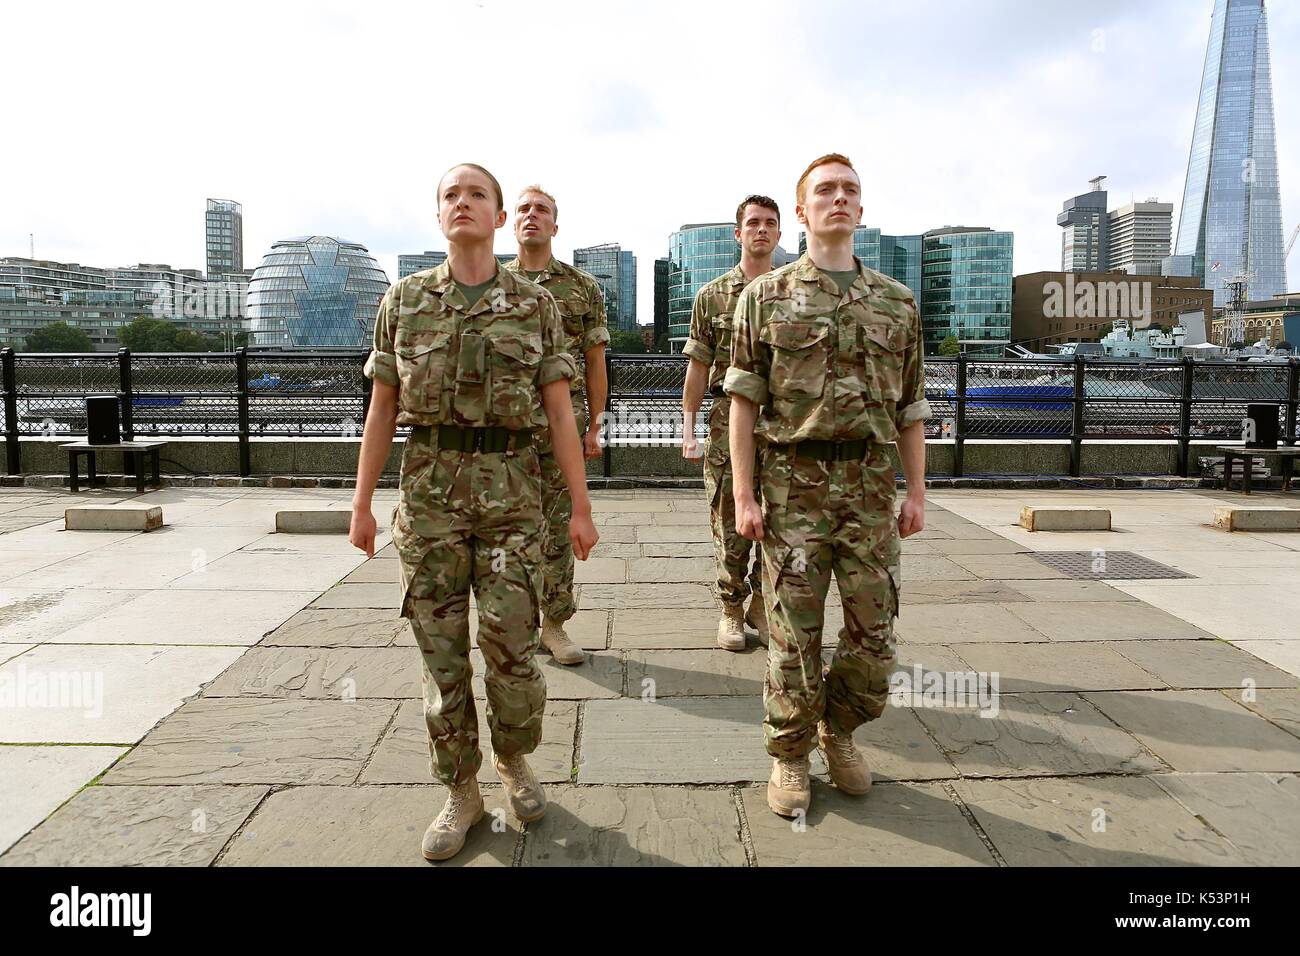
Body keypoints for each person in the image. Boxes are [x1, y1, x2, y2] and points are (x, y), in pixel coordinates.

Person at [349, 163, 599, 862]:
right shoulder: (404, 301)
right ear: (439, 218)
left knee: (513, 650)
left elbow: (558, 410)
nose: (463, 203)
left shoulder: (533, 305)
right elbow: (383, 408)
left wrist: (579, 507)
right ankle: (460, 789)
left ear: (496, 219)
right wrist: (362, 502)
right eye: (450, 195)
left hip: (515, 497)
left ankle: (514, 760)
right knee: (441, 658)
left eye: (477, 195)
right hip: (429, 495)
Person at [724, 153, 930, 819]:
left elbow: (912, 408)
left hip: (870, 490)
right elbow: (744, 403)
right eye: (824, 191)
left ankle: (838, 730)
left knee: (876, 641)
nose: (838, 198)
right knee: (792, 635)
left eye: (849, 190)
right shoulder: (766, 297)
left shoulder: (897, 304)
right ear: (804, 211)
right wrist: (746, 496)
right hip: (794, 489)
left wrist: (918, 493)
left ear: (861, 211)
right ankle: (789, 755)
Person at [503, 186, 609, 665]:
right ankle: (511, 623)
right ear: (510, 220)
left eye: (541, 210)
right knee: (503, 531)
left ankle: (554, 624)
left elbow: (594, 360)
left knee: (558, 528)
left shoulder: (581, 287)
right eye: (524, 209)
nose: (531, 216)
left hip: (559, 427)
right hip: (503, 431)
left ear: (555, 225)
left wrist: (595, 425)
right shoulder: (494, 282)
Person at [681, 195, 781, 650]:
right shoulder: (712, 296)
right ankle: (730, 610)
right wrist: (688, 426)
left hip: (783, 422)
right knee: (729, 518)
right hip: (726, 419)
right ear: (738, 234)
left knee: (781, 518)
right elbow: (698, 368)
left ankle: (763, 604)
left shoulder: (795, 294)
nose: (761, 230)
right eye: (753, 223)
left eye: (770, 224)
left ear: (779, 235)